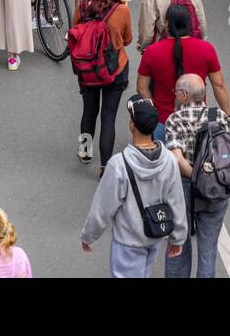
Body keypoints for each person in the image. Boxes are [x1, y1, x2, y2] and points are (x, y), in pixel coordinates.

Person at [80, 96, 187, 278]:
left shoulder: (119, 164)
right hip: (155, 235)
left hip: (128, 242)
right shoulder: (169, 159)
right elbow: (176, 200)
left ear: (132, 125)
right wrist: (178, 238)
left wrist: (88, 236)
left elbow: (102, 208)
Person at [165, 74, 230, 280]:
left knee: (179, 244)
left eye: (176, 92)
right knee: (208, 252)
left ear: (183, 95)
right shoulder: (219, 116)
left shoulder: (175, 119)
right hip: (216, 190)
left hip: (184, 188)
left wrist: (197, 179)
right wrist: (226, 183)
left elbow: (176, 159)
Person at [137, 5, 230, 139]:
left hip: (164, 122)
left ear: (167, 23)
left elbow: (141, 88)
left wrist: (153, 111)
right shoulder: (206, 49)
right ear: (189, 24)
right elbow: (219, 85)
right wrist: (227, 116)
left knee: (166, 159)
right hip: (197, 121)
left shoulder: (152, 52)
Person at [72, 0, 132, 173]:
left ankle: (85, 150)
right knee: (108, 117)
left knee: (89, 111)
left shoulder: (82, 6)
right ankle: (106, 165)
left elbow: (74, 32)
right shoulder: (121, 10)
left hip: (87, 69)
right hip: (114, 69)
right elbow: (127, 39)